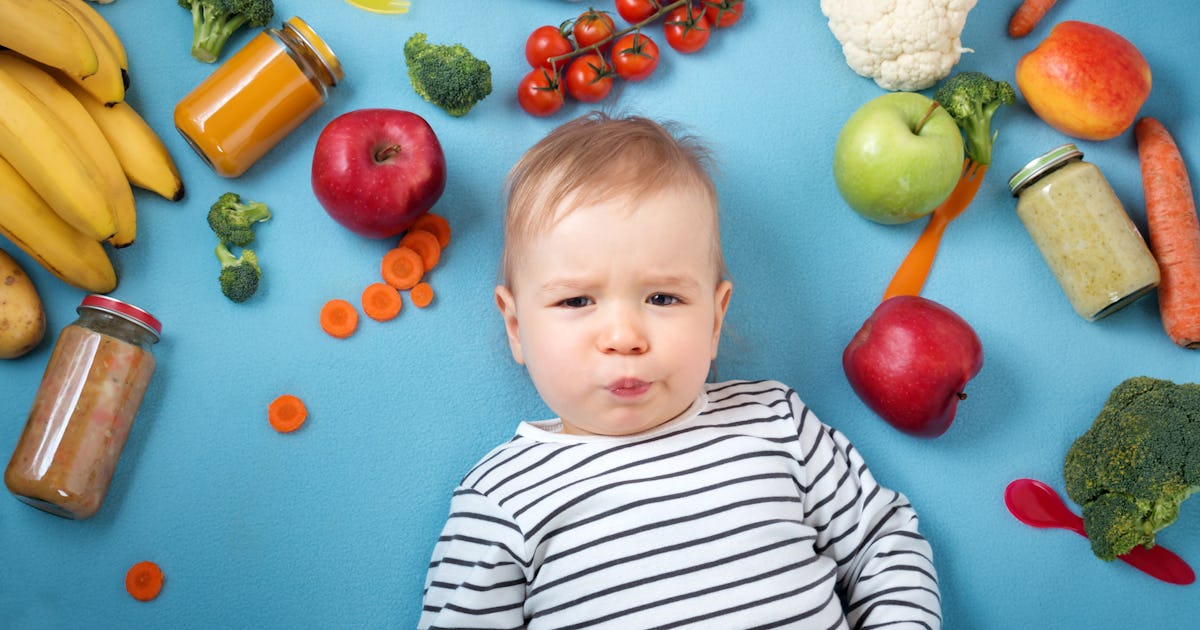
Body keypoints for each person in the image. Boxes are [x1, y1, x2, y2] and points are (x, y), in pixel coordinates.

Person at [418, 112, 941, 629]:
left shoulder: (776, 421)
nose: (624, 337)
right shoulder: (502, 497)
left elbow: (882, 543)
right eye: (576, 301)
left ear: (714, 318)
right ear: (516, 327)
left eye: (662, 297)